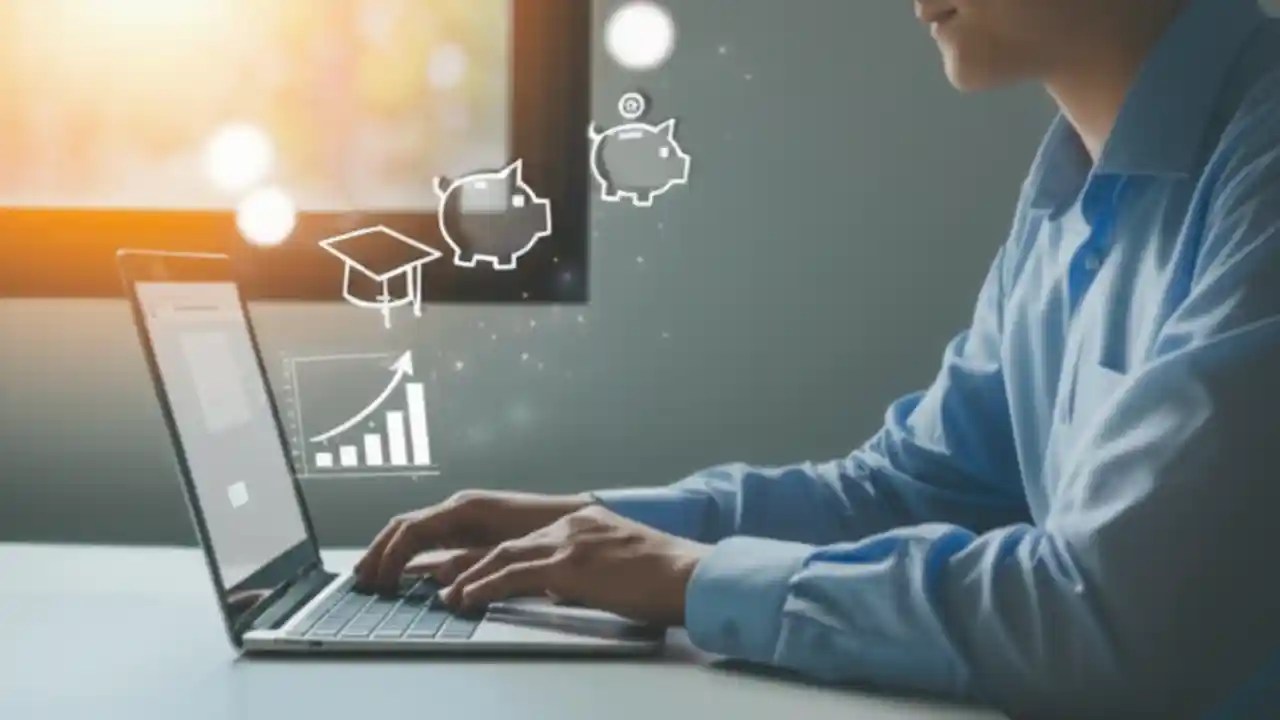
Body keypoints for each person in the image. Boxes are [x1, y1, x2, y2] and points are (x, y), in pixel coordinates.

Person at [356, 0, 1280, 714]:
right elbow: (916, 486)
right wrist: (603, 526)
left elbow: (1115, 623)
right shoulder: (1073, 187)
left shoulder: (1263, 168)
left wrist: (691, 576)